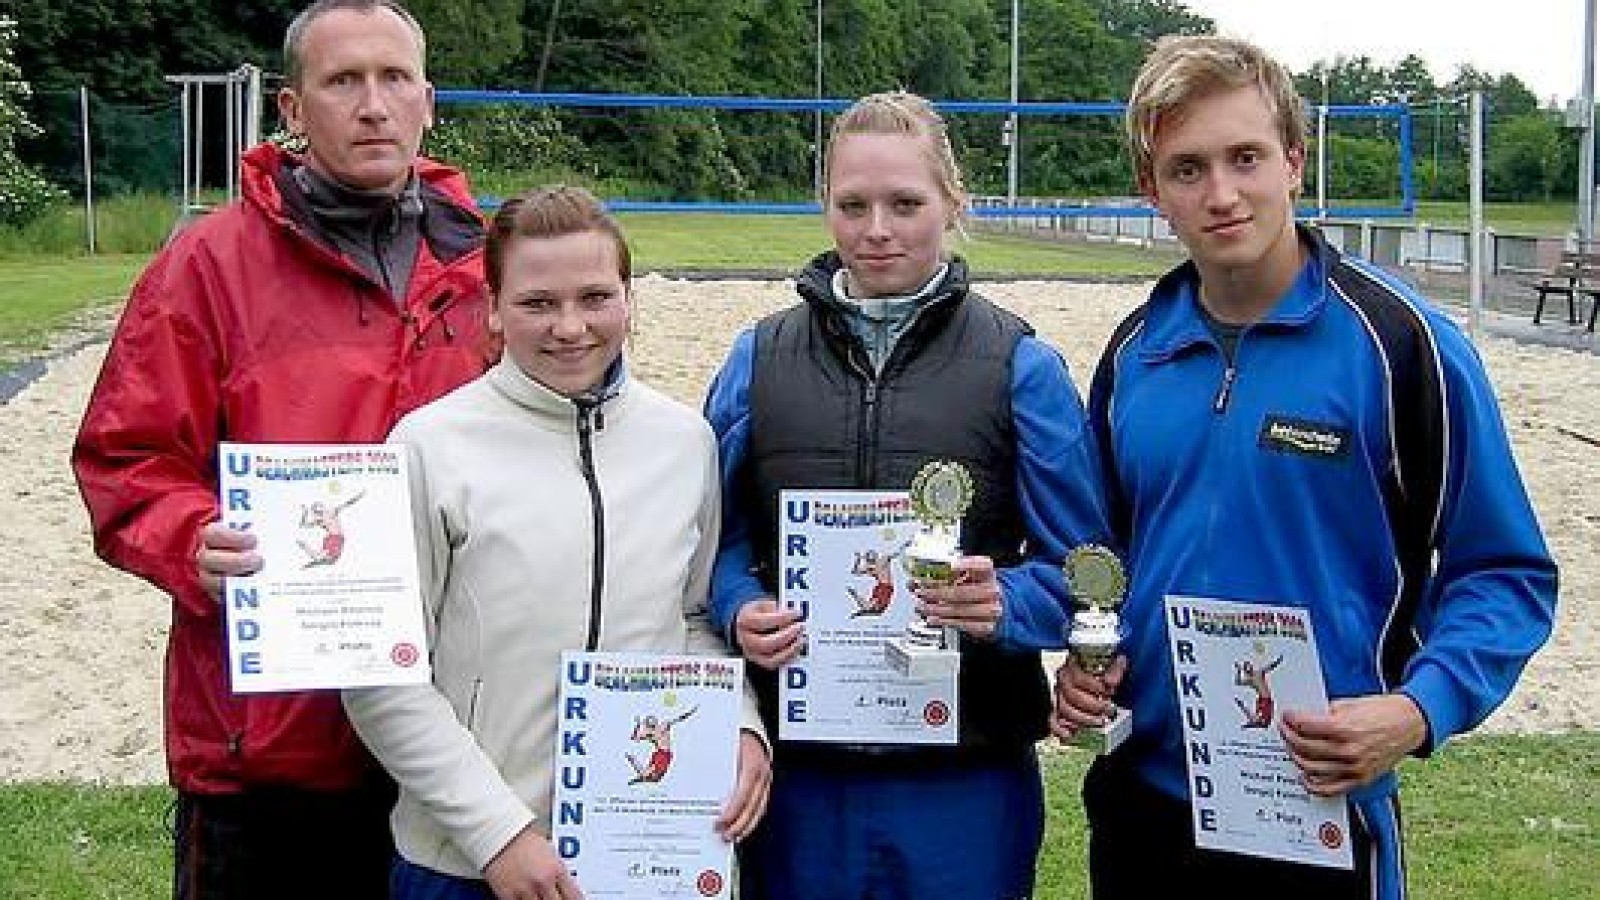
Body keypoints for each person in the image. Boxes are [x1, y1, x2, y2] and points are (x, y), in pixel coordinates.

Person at [1050, 34, 1558, 900]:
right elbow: (1108, 563)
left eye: (1245, 157)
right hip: (1141, 807)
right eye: (1187, 168)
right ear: (1151, 191)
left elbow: (1503, 574)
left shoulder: (1405, 348)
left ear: (1293, 159)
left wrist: (1418, 708)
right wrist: (1088, 664)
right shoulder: (1135, 353)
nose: (1222, 194)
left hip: (1317, 814)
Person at [70, 2, 492, 897]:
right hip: (271, 744)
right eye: (343, 82)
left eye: (393, 79)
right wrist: (192, 540)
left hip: (454, 734)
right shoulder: (209, 266)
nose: (372, 105)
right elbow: (125, 459)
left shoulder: (492, 267)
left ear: (429, 101)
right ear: (294, 111)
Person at [705, 91, 1112, 900]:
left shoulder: (1020, 365)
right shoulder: (758, 358)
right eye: (853, 204)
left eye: (905, 203)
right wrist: (737, 606)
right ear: (824, 206)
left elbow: (1087, 565)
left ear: (951, 205)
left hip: (965, 773)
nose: (877, 228)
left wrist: (1006, 602)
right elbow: (711, 541)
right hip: (802, 777)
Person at [344, 185, 771, 900]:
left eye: (595, 297)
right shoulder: (427, 446)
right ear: (494, 309)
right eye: (538, 302)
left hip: (642, 858)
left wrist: (741, 723)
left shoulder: (683, 443)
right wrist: (497, 833)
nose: (570, 327)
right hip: (467, 864)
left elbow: (692, 621)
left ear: (629, 299)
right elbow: (381, 671)